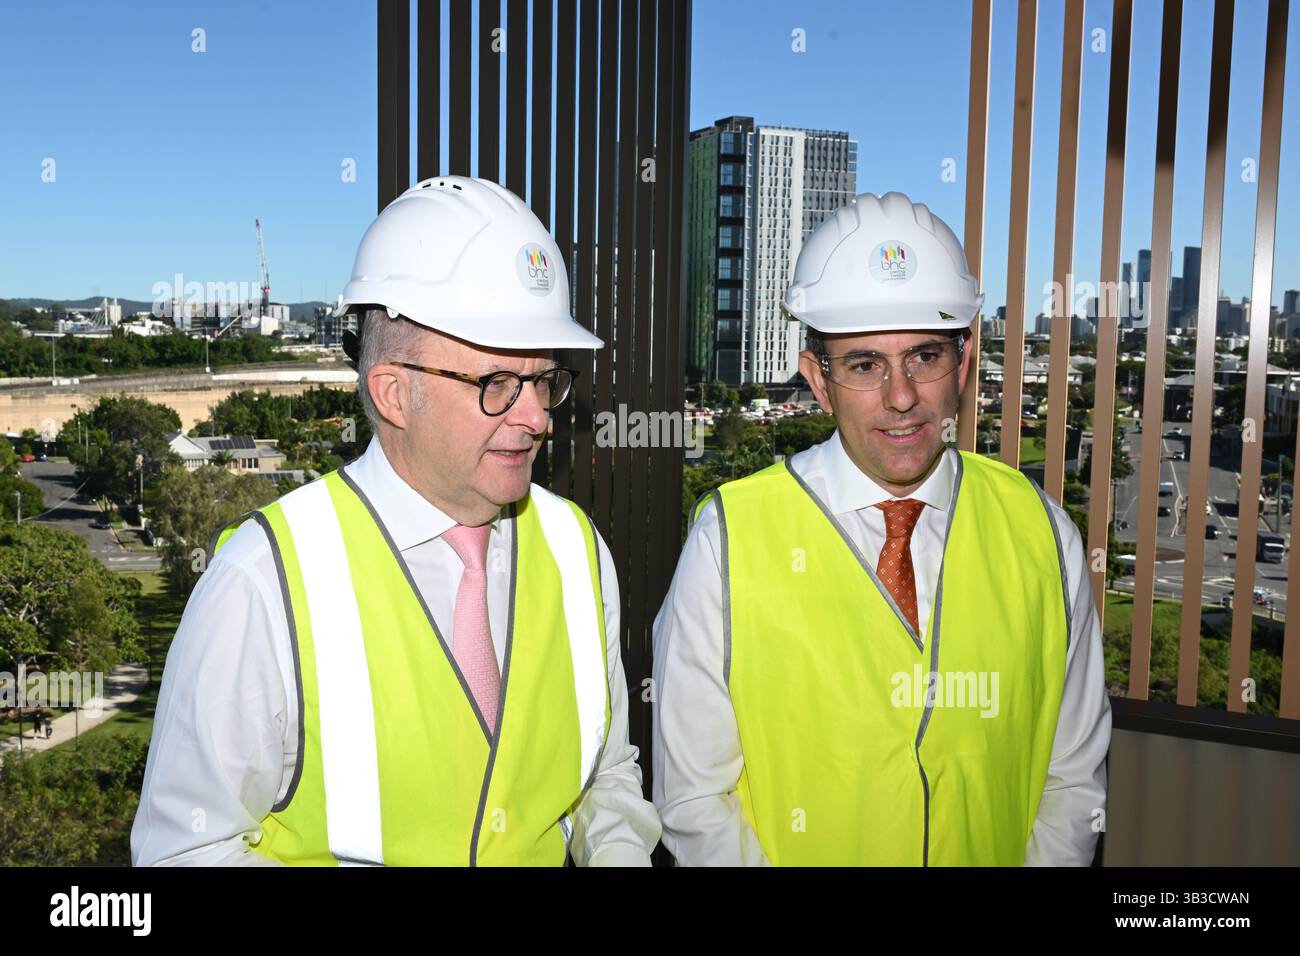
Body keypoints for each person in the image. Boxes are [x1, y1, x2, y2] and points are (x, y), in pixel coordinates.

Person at [132, 176, 660, 866]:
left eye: (543, 381)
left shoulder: (576, 549)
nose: (536, 418)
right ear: (393, 393)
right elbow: (184, 850)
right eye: (498, 384)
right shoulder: (263, 582)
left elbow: (606, 775)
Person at [652, 191, 1111, 866]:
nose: (901, 396)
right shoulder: (728, 540)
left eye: (924, 357)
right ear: (819, 380)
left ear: (962, 363)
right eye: (865, 365)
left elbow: (1071, 780)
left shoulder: (1042, 532)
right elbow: (695, 801)